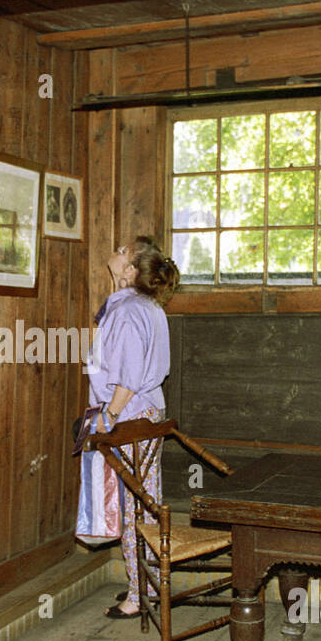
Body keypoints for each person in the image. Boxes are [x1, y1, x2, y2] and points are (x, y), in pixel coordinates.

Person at [88, 235, 180, 618]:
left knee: (135, 507)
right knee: (144, 501)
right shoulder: (147, 306)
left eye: (124, 251)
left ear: (129, 270)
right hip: (148, 413)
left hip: (130, 417)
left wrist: (108, 418)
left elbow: (126, 379)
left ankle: (139, 595)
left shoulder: (126, 312)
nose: (116, 249)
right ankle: (144, 582)